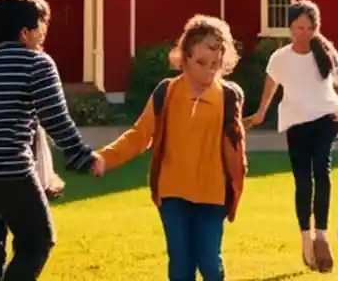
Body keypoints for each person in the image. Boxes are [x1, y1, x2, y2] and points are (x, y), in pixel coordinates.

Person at [0, 0, 103, 281]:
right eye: (42, 27)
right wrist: (80, 155)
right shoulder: (37, 64)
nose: (44, 35)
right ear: (25, 32)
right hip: (11, 171)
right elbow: (55, 118)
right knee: (37, 241)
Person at [96, 14, 248, 281]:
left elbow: (236, 152)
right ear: (185, 58)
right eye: (201, 63)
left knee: (210, 264)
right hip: (172, 193)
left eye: (215, 64)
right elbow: (139, 135)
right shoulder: (166, 93)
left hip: (212, 196)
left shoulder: (227, 97)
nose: (209, 71)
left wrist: (234, 195)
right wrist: (103, 159)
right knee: (180, 264)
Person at [245, 0, 338, 273]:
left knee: (322, 170)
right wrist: (259, 115)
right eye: (298, 27)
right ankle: (306, 238)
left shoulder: (325, 52)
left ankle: (322, 236)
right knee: (302, 180)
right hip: (296, 122)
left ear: (316, 28)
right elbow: (270, 88)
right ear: (290, 27)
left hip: (326, 117)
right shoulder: (280, 58)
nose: (303, 33)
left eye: (309, 28)